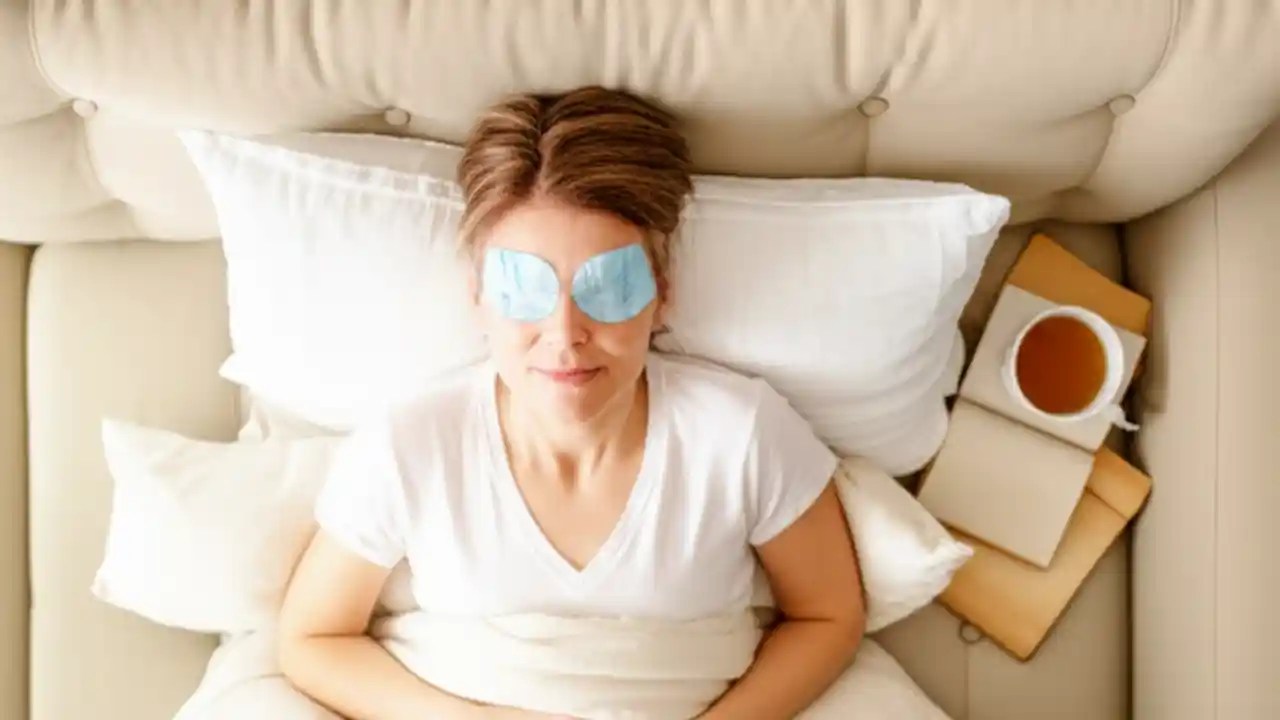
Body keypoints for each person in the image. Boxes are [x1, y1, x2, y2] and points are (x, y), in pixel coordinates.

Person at [278, 86, 865, 720]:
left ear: (661, 295)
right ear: (479, 298)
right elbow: (314, 638)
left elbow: (828, 614)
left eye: (607, 289)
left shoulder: (740, 433)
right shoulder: (412, 444)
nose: (564, 334)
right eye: (524, 289)